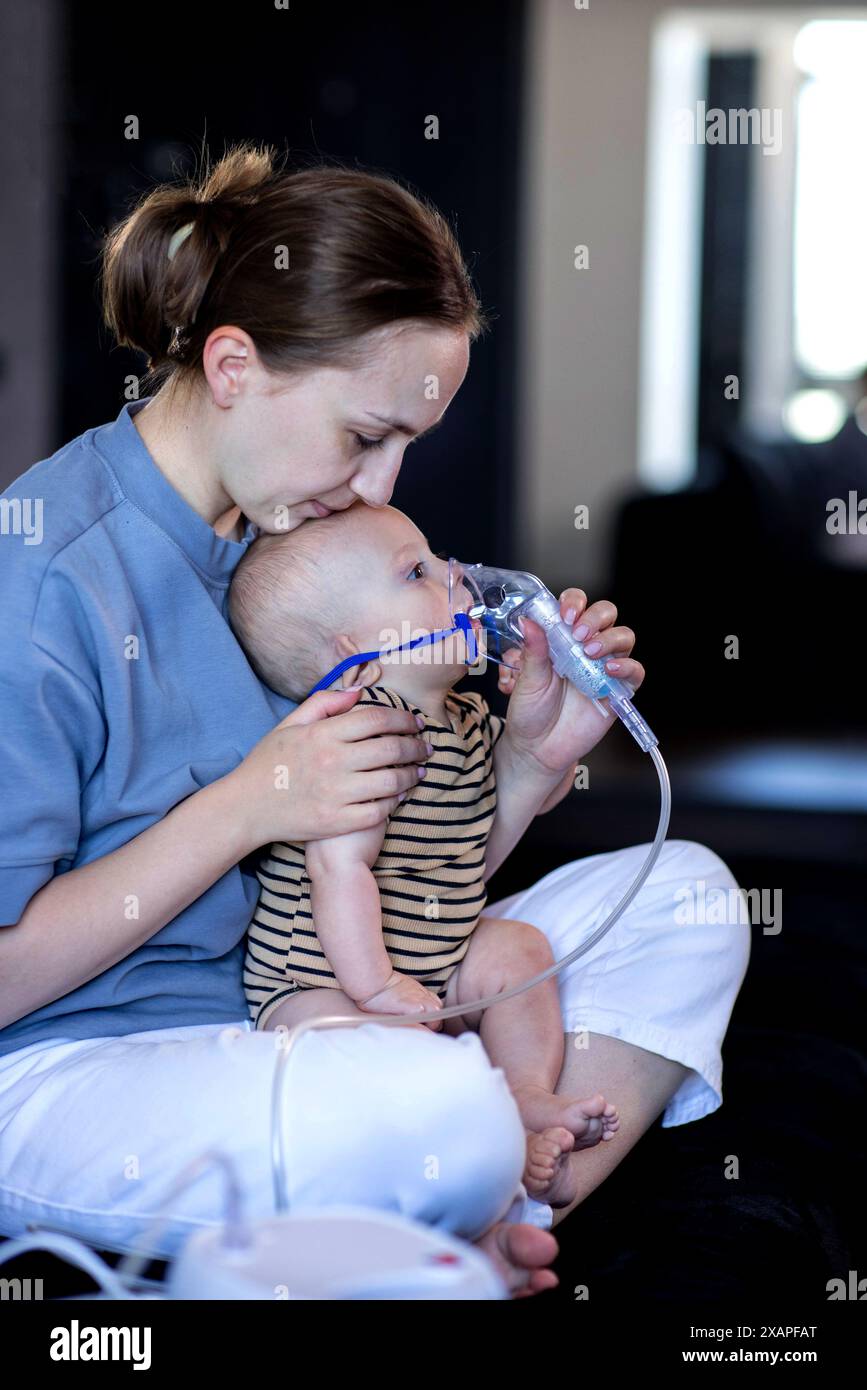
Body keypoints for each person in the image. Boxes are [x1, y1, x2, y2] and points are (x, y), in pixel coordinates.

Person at [0, 142, 750, 1295]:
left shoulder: (296, 537)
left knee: (693, 892)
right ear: (235, 364)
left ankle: (477, 1198)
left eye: (408, 444)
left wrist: (520, 775)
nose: (385, 488)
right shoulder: (45, 577)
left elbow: (361, 889)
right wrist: (253, 802)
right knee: (423, 1104)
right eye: (365, 436)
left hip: (308, 1020)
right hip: (82, 1066)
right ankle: (467, 1206)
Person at [229, 501, 621, 1210]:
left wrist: (550, 744)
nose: (457, 577)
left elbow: (500, 808)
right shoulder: (360, 730)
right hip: (322, 982)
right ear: (353, 647)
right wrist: (376, 990)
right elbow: (336, 868)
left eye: (436, 558)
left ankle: (525, 1093)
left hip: (427, 961)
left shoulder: (464, 717)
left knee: (519, 951)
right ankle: (492, 1141)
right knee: (382, 1059)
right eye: (416, 573)